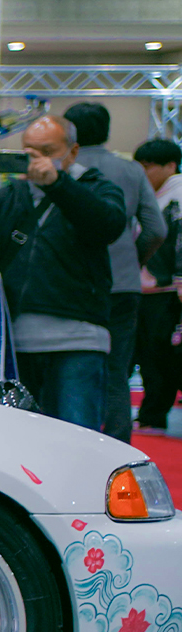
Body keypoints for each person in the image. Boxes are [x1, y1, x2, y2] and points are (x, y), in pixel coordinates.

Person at [0, 116, 128, 430]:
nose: (35, 159)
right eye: (28, 151)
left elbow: (106, 226)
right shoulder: (8, 196)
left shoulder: (98, 187)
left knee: (77, 438)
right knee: (16, 439)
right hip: (11, 344)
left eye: (46, 150)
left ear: (73, 151)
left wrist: (58, 184)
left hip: (78, 341)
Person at [66, 103, 167, 441]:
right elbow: (156, 229)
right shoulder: (130, 171)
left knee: (66, 366)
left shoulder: (60, 168)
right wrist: (132, 259)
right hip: (123, 283)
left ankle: (72, 440)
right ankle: (118, 446)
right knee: (117, 368)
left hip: (71, 281)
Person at [134, 137, 182, 432]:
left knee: (161, 355)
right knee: (149, 354)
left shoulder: (177, 197)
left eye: (148, 167)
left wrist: (179, 279)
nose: (143, 172)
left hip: (168, 291)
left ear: (170, 166)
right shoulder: (154, 193)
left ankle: (153, 415)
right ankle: (151, 415)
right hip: (146, 289)